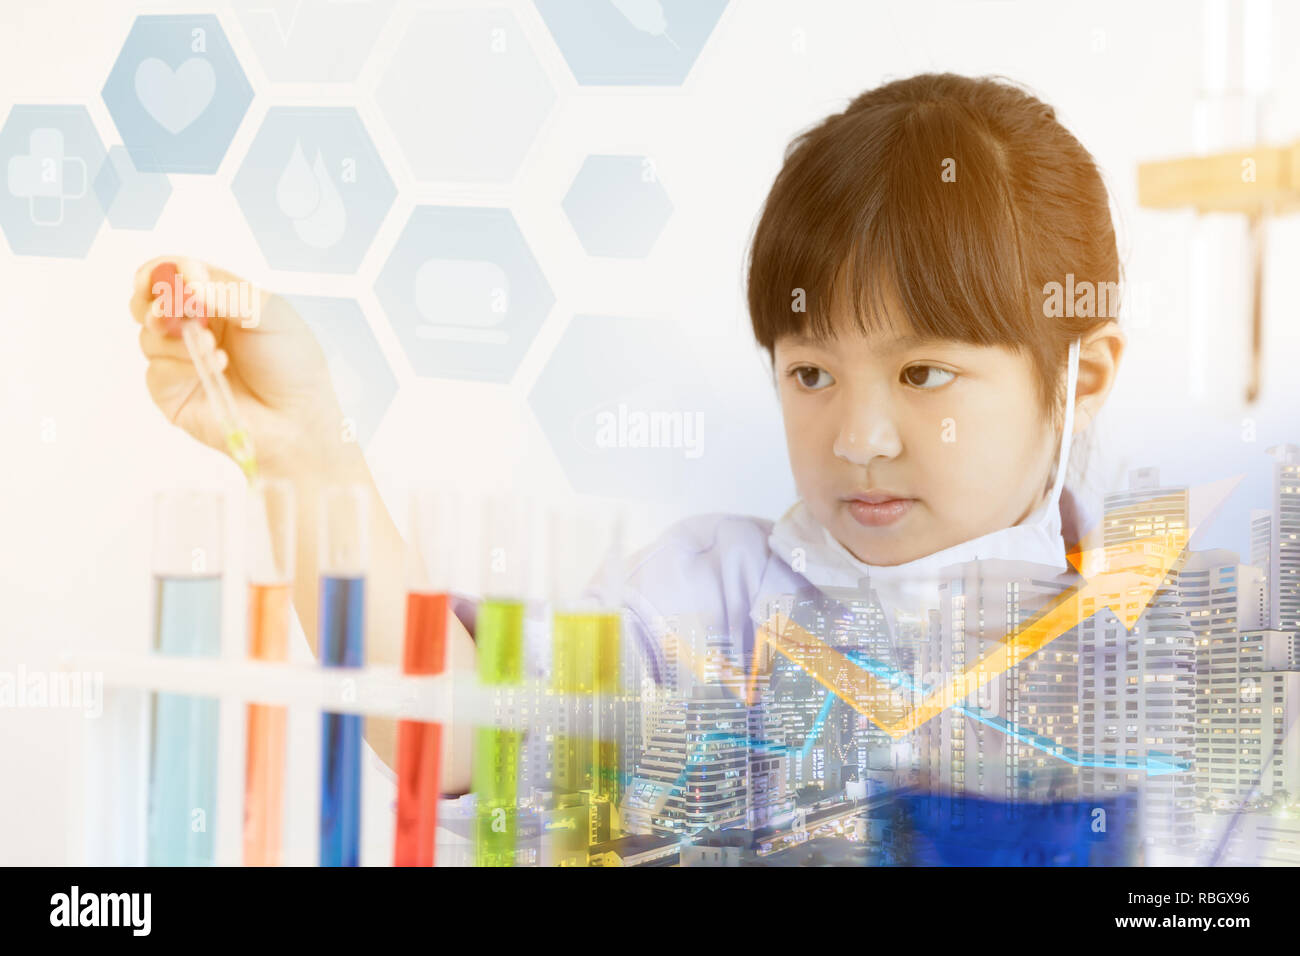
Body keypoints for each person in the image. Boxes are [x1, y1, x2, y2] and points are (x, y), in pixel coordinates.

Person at [129, 73, 1126, 838]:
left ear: (1078, 375)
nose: (860, 438)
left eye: (923, 375)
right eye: (812, 373)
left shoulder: (1159, 646)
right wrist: (308, 450)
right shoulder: (713, 601)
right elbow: (466, 735)